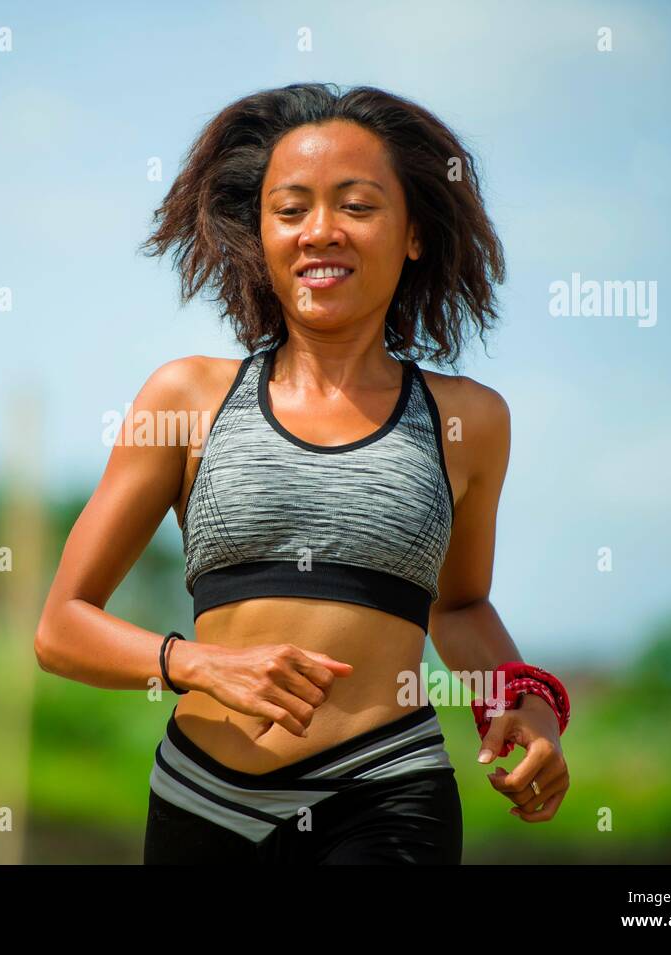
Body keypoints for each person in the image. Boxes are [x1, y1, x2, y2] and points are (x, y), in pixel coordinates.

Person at [34, 82, 571, 864]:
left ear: (414, 232)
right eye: (290, 210)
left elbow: (461, 608)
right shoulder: (185, 396)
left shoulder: (470, 421)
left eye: (357, 206)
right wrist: (199, 662)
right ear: (262, 234)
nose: (321, 232)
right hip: (199, 799)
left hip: (387, 790)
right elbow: (61, 626)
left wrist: (521, 698)